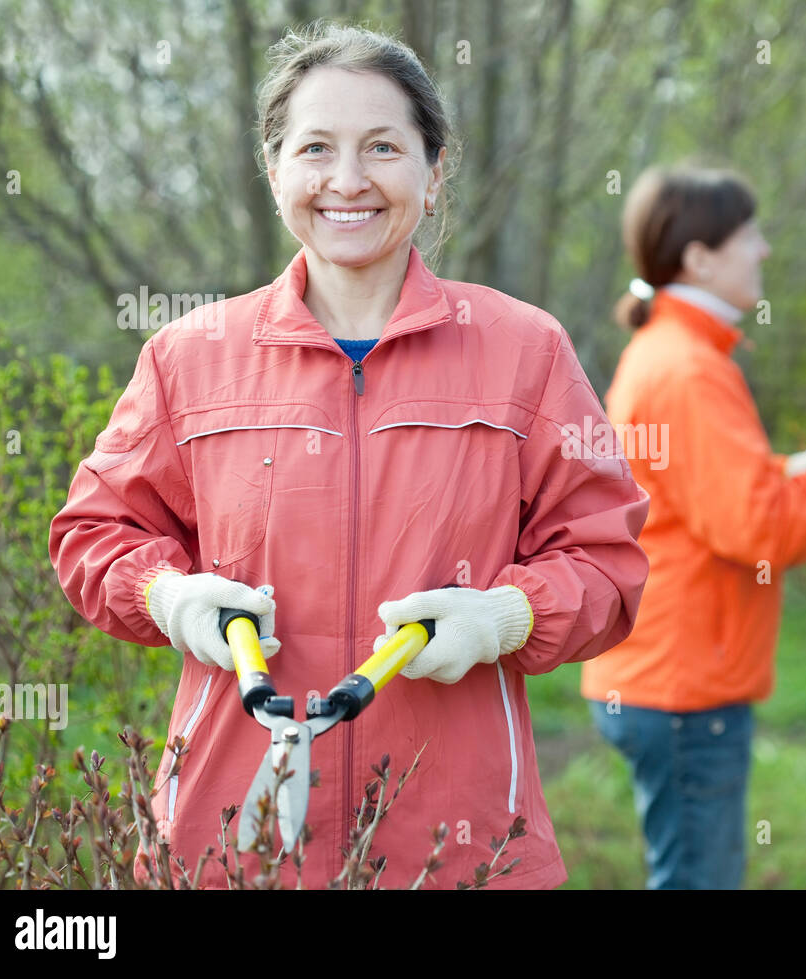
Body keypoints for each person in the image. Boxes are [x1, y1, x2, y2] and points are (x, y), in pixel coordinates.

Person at [49, 22, 649, 890]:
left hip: (459, 848)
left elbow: (608, 563)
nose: (348, 180)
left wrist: (505, 617)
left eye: (382, 147)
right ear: (275, 170)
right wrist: (167, 594)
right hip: (230, 840)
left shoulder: (528, 351)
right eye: (316, 148)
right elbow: (93, 534)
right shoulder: (189, 355)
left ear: (433, 173)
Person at [580, 164, 806, 889]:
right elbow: (757, 529)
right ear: (698, 256)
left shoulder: (667, 354)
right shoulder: (690, 370)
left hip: (660, 674)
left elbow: (705, 495)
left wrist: (803, 468)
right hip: (683, 685)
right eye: (748, 235)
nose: (763, 250)